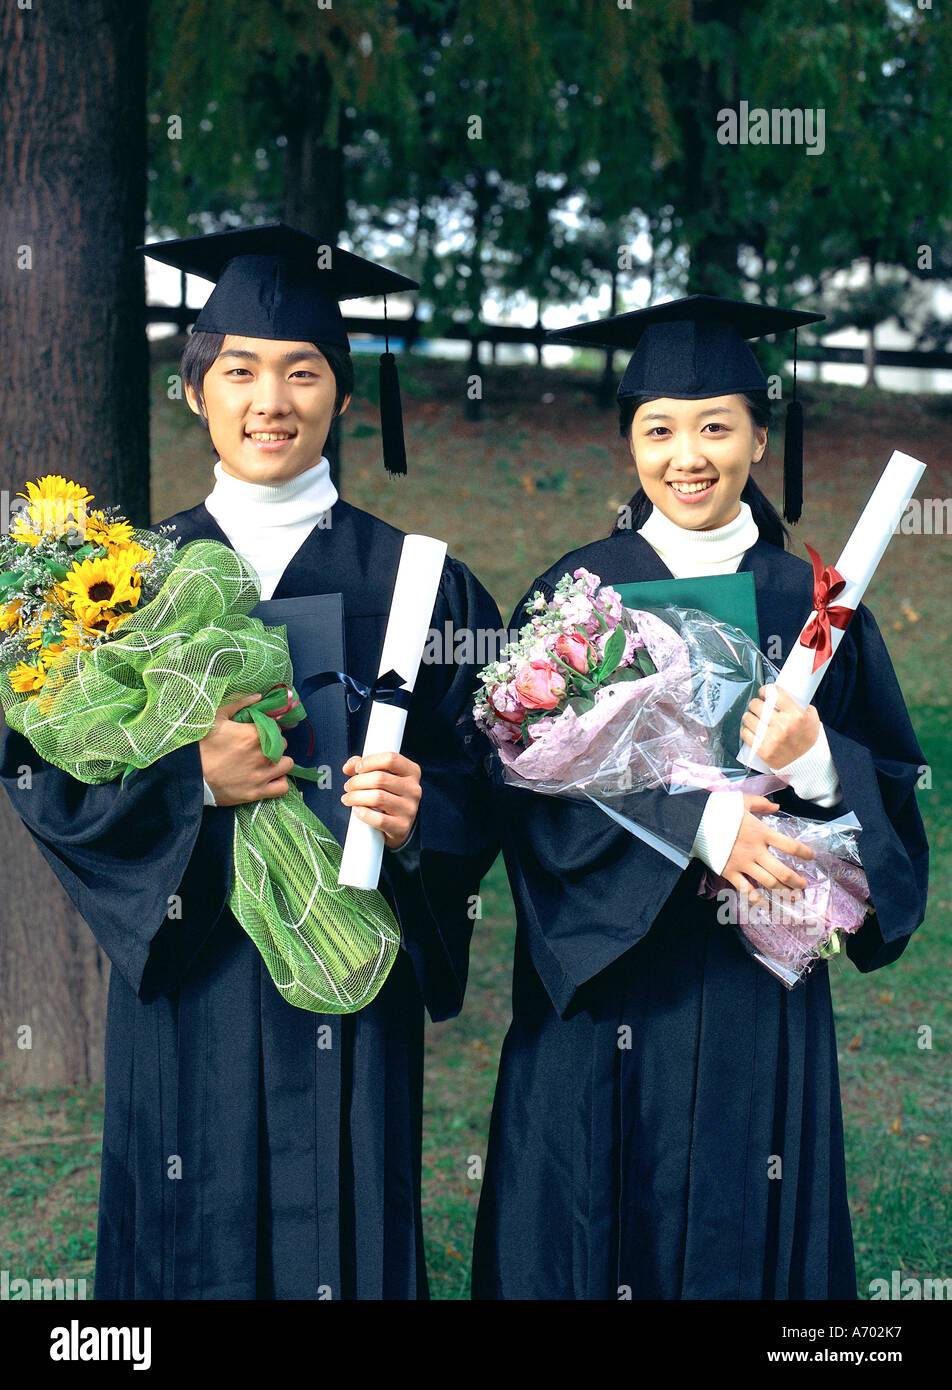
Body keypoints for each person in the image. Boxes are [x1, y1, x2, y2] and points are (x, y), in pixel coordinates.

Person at [0, 223, 501, 1300]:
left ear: (343, 397)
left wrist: (424, 813)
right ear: (194, 391)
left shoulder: (422, 583)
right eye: (239, 370)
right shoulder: (121, 579)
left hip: (349, 974)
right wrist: (190, 781)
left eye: (301, 371)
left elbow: (489, 773)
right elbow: (44, 771)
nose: (269, 399)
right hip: (192, 968)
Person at [471, 295, 929, 1300]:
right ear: (629, 441)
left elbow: (891, 797)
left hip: (753, 999)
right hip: (605, 991)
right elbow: (519, 785)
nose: (690, 454)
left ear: (758, 435)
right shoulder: (580, 589)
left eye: (717, 425)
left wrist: (816, 766)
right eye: (660, 429)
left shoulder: (813, 608)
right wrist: (697, 821)